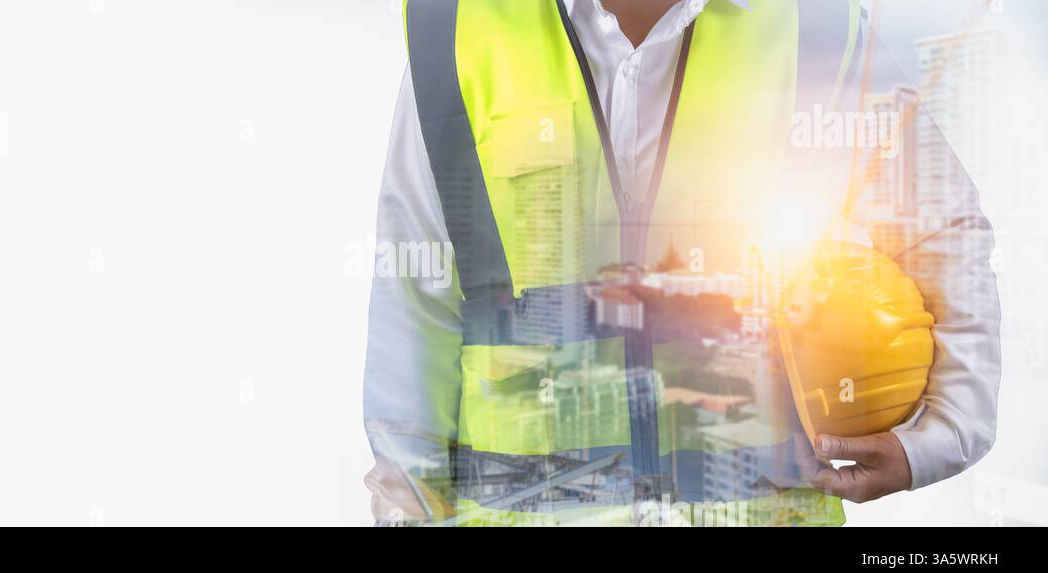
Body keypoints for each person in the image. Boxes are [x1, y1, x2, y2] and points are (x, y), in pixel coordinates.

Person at [363, 0, 1000, 526]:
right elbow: (415, 293)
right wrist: (404, 509)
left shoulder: (817, 30)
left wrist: (939, 438)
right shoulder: (460, 30)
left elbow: (943, 226)